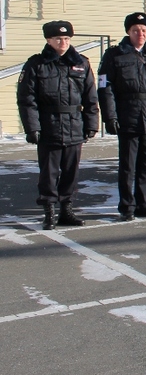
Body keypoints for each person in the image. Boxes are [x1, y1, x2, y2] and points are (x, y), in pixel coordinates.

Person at [17, 21, 99, 229]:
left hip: (74, 125)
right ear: (48, 40)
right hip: (49, 126)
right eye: (58, 39)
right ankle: (49, 211)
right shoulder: (37, 64)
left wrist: (91, 124)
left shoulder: (82, 63)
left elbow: (90, 97)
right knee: (49, 172)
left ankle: (66, 210)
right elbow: (27, 100)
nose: (63, 42)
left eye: (66, 39)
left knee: (71, 171)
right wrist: (32, 128)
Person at [98, 12, 146, 221]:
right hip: (127, 114)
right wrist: (109, 116)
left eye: (143, 30)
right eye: (135, 30)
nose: (140, 34)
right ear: (128, 32)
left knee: (145, 164)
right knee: (128, 165)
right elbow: (105, 87)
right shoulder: (115, 55)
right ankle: (126, 206)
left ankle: (143, 203)